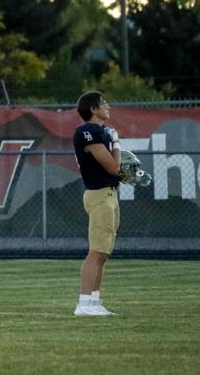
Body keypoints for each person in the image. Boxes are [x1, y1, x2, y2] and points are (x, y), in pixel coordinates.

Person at [73, 90, 122, 316]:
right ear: (93, 109)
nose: (108, 106)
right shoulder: (88, 131)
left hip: (110, 194)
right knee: (96, 251)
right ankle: (84, 303)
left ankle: (94, 301)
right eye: (103, 103)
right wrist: (117, 145)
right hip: (99, 194)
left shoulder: (99, 131)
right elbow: (113, 167)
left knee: (103, 253)